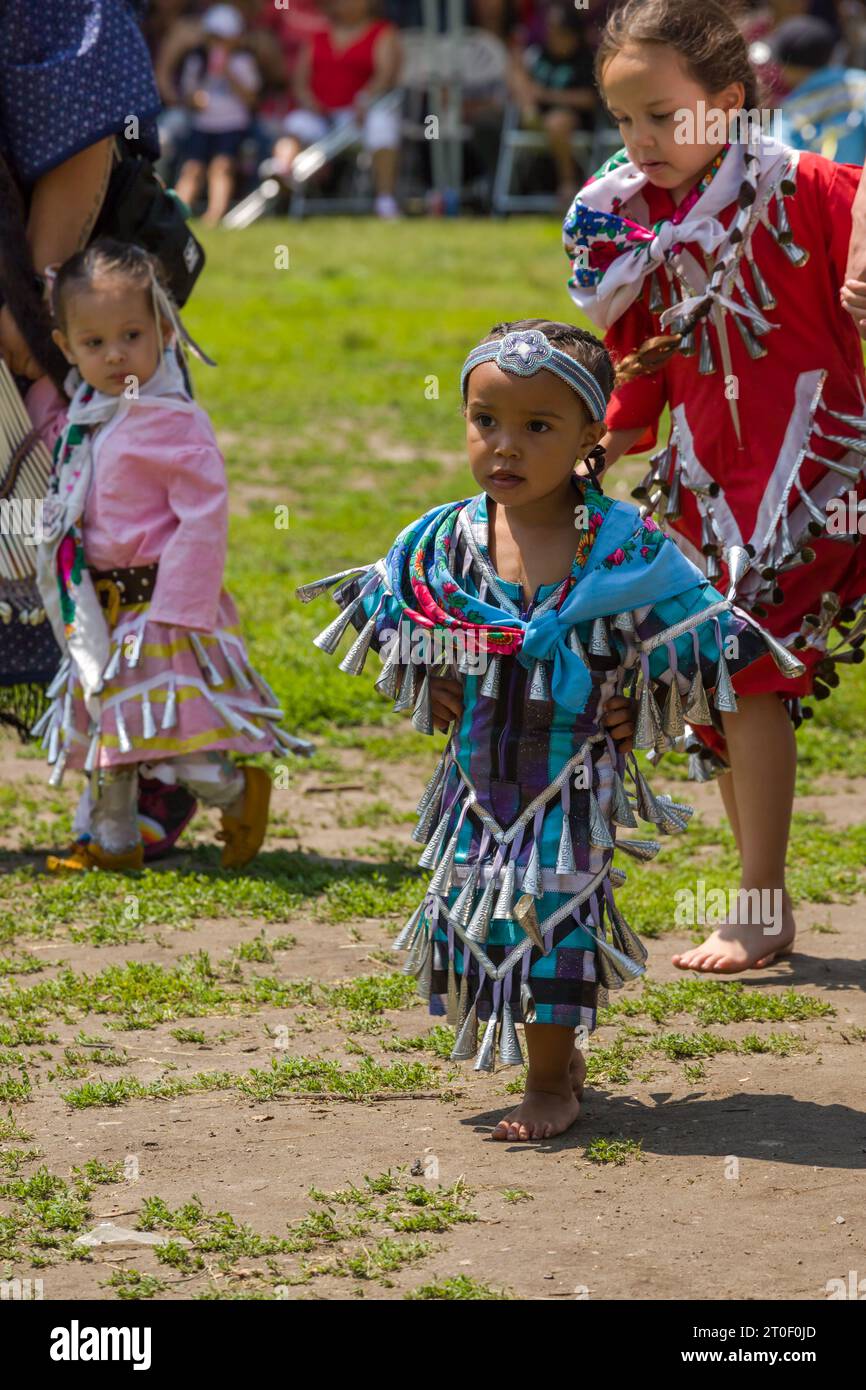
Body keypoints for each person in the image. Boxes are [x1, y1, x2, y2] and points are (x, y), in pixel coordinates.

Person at [297, 319, 784, 1141]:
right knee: (476, 923)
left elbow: (697, 635)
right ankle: (551, 1060)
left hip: (573, 782)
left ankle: (550, 1081)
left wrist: (636, 701)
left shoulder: (624, 551)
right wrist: (436, 675)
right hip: (477, 783)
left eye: (537, 427)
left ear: (593, 436)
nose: (504, 448)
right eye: (485, 422)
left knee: (553, 920)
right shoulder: (444, 541)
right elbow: (396, 618)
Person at [563, 0, 866, 975]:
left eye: (659, 113)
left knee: (748, 670)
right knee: (714, 678)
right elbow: (647, 358)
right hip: (700, 483)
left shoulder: (804, 188)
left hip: (810, 471)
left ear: (725, 102)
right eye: (621, 120)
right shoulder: (628, 221)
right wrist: (605, 437)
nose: (638, 139)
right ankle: (755, 892)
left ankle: (759, 901)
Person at [34, 239, 312, 873]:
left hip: (161, 612)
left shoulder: (173, 420)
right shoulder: (85, 417)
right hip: (102, 614)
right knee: (114, 736)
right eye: (94, 342)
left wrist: (179, 608)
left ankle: (238, 795)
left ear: (163, 329)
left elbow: (203, 517)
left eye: (131, 335)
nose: (115, 355)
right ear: (65, 345)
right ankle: (112, 842)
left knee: (177, 742)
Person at [266, 0, 403, 220]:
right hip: (323, 117)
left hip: (361, 117)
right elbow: (300, 81)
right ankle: (282, 172)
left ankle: (385, 199)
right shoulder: (318, 37)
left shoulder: (382, 33)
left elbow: (386, 76)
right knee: (296, 122)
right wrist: (309, 101)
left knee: (383, 125)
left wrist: (366, 99)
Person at [173, 4, 263, 226]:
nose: (218, 44)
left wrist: (228, 73)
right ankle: (178, 212)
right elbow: (187, 94)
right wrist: (195, 100)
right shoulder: (197, 62)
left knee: (222, 166)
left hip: (232, 124)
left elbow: (252, 99)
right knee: (192, 167)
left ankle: (214, 215)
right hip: (203, 123)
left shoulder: (243, 62)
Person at [509, 4, 598, 207]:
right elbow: (520, 78)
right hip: (535, 112)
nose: (551, 35)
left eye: (557, 31)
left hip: (573, 121)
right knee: (517, 76)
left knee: (557, 122)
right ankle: (529, 114)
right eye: (549, 29)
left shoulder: (585, 60)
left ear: (572, 34)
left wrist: (548, 95)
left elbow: (590, 99)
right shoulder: (539, 55)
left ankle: (567, 184)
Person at [773, 15, 866, 162]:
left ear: (786, 67)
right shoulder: (861, 85)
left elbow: (782, 166)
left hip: (823, 183)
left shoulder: (789, 113)